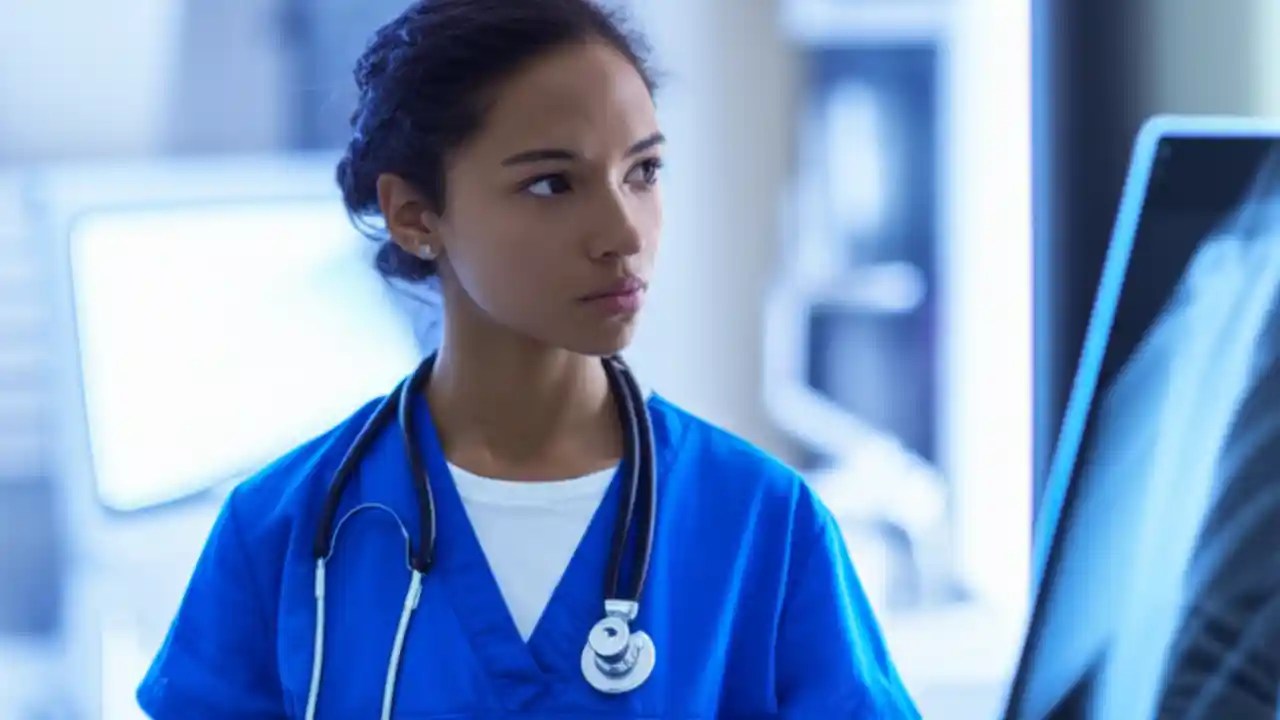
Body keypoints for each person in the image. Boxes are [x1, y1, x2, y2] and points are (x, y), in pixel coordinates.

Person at [136, 0, 919, 717]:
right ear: (415, 216)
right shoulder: (280, 534)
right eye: (552, 184)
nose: (624, 232)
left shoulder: (763, 526)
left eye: (643, 172)